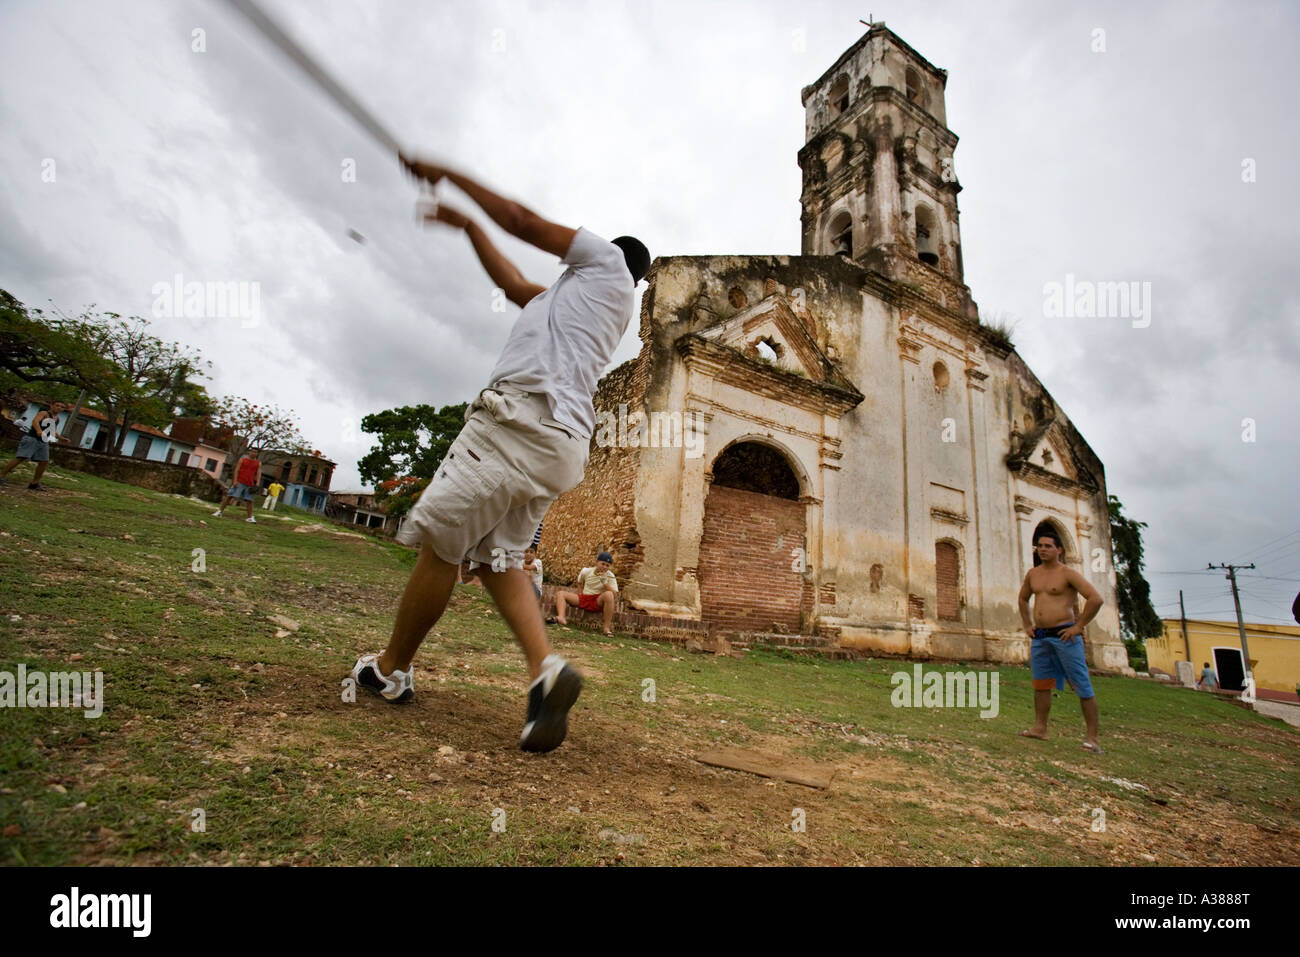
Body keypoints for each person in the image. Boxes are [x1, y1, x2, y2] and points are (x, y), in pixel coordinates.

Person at [349, 154, 650, 754]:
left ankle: (389, 671)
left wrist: (450, 174)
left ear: (607, 256)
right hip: (558, 442)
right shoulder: (574, 307)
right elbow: (514, 284)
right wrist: (468, 230)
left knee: (442, 545)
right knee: (497, 560)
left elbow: (524, 219)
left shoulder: (608, 262)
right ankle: (546, 671)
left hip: (518, 420)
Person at [1017, 529, 1105, 753]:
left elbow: (1095, 599)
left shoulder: (1067, 574)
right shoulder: (1033, 574)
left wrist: (1078, 626)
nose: (1042, 549)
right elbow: (1023, 597)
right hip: (1041, 637)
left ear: (1059, 550)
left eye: (1047, 546)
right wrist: (1027, 624)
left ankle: (1092, 738)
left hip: (1065, 635)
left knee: (1082, 685)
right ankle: (1040, 728)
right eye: (1039, 545)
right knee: (1041, 685)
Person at [0, 402, 68, 491]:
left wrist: (61, 438)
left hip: (43, 441)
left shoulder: (57, 419)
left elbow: (52, 431)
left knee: (44, 461)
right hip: (32, 438)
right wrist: (39, 431)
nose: (59, 408)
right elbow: (35, 421)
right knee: (21, 457)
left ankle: (34, 483)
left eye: (62, 407)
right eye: (57, 405)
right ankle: (1, 476)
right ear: (52, 406)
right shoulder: (44, 413)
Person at [551, 552, 618, 638]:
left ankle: (606, 628)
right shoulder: (586, 571)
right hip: (584, 598)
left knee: (609, 594)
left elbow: (614, 595)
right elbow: (579, 582)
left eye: (607, 565)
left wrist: (605, 583)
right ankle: (561, 617)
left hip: (598, 600)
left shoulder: (611, 576)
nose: (604, 567)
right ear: (597, 562)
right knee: (561, 594)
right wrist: (580, 593)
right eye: (603, 564)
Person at [213, 453, 262, 523]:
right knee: (229, 496)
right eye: (252, 451)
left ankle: (250, 517)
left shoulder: (258, 463)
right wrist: (235, 480)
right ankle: (219, 512)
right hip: (240, 482)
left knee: (250, 501)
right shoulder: (242, 460)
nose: (253, 453)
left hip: (250, 484)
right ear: (250, 452)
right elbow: (237, 470)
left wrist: (257, 484)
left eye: (255, 452)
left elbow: (258, 473)